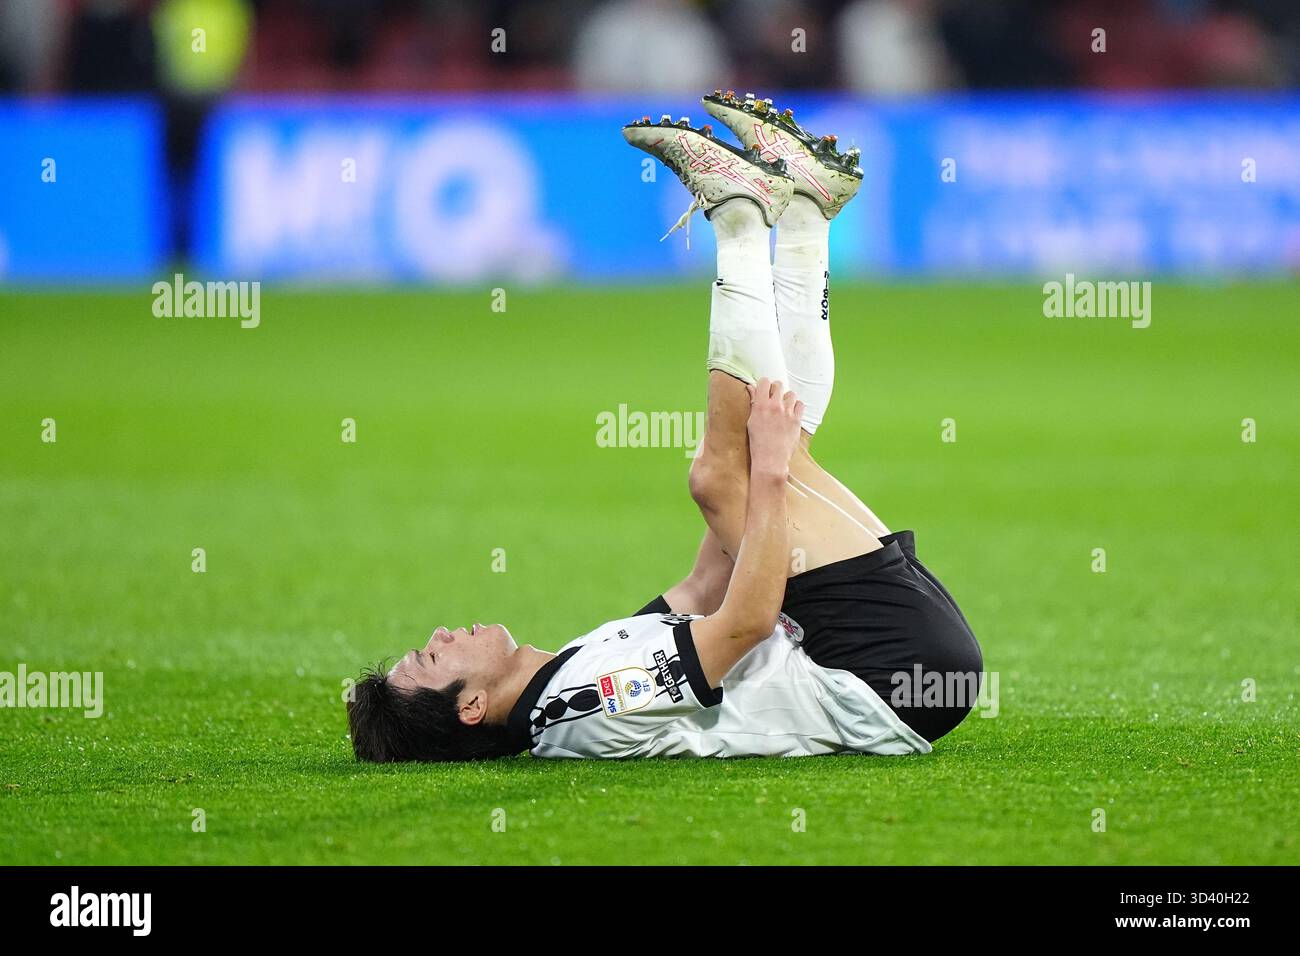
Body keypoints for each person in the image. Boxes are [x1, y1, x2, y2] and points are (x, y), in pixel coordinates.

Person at [347, 92, 983, 762]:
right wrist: (751, 476)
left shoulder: (567, 672)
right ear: (471, 707)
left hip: (897, 656)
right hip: (885, 675)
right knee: (722, 475)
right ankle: (738, 218)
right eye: (429, 657)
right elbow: (741, 624)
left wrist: (757, 465)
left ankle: (802, 214)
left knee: (753, 463)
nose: (442, 633)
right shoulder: (573, 709)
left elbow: (707, 586)